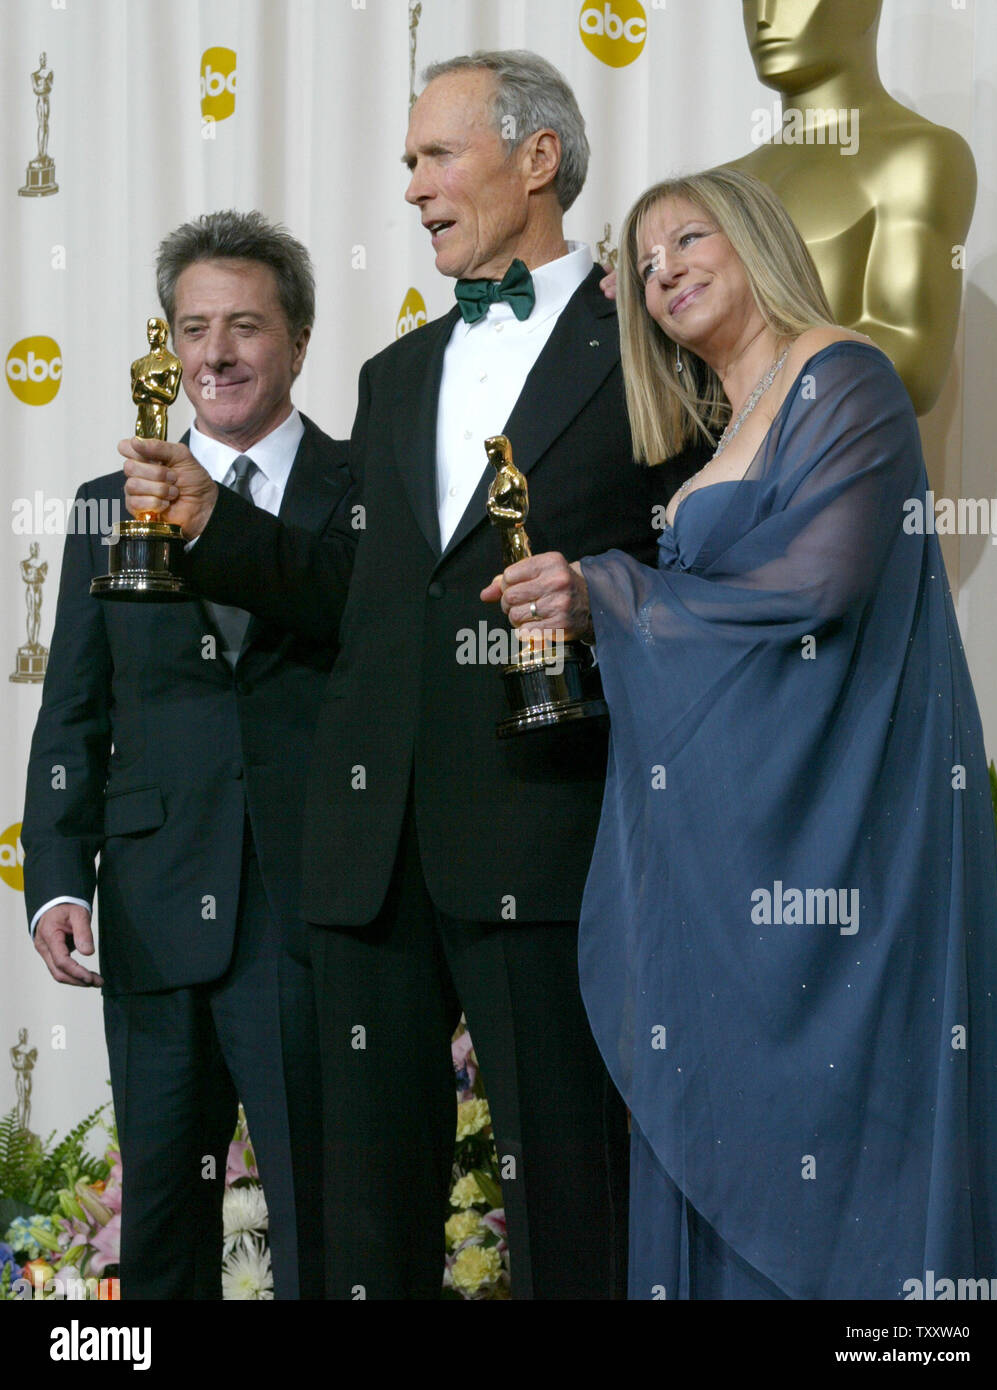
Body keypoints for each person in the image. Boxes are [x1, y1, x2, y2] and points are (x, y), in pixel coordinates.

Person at [119, 51, 706, 1299]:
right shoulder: (395, 378)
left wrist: (601, 606)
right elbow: (358, 599)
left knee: (570, 1202)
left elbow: (700, 568)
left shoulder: (653, 348)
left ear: (536, 158)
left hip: (548, 833)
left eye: (437, 157)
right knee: (362, 1225)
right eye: (406, 164)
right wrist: (210, 524)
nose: (414, 187)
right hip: (371, 847)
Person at [491, 167, 997, 1299]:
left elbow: (817, 588)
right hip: (734, 857)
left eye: (690, 239)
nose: (663, 268)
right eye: (642, 261)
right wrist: (588, 613)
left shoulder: (846, 374)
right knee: (723, 1130)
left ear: (760, 240)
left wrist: (612, 593)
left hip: (838, 857)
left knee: (840, 1155)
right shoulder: (729, 420)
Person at [21, 210, 353, 1300]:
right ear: (167, 348)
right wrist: (57, 879)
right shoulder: (100, 510)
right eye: (193, 328)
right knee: (159, 1217)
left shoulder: (366, 498)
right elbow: (74, 710)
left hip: (314, 908)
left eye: (246, 326)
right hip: (156, 911)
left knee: (326, 1208)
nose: (216, 353)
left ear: (298, 342)